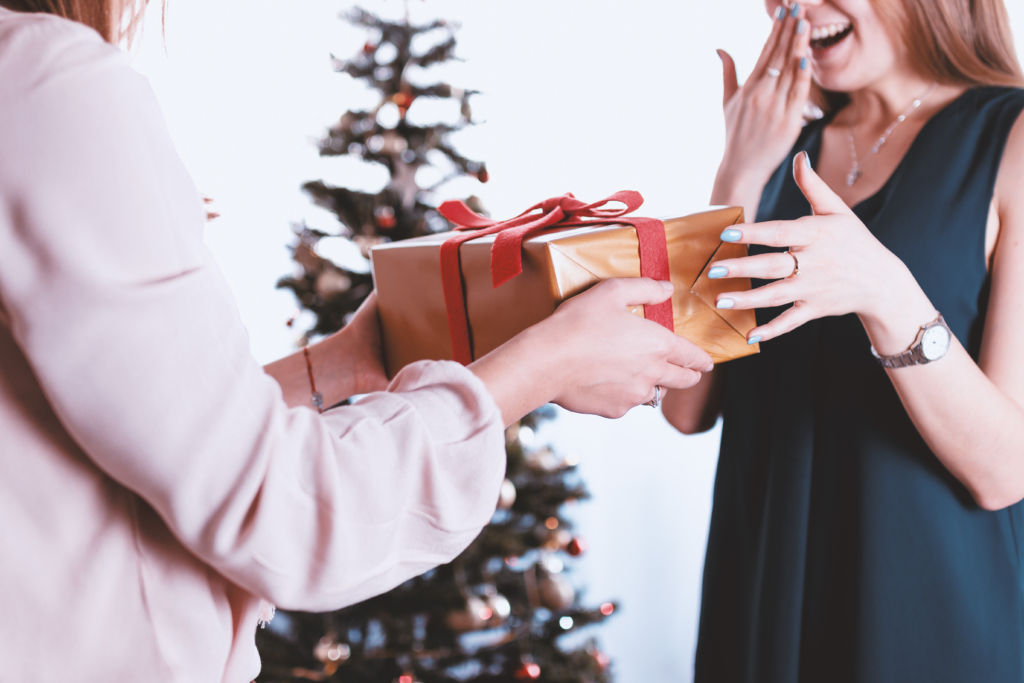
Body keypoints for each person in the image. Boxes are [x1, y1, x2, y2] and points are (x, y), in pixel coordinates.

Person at [0, 1, 717, 681]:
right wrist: (546, 362)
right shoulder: (44, 84)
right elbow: (286, 513)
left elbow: (136, 434)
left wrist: (342, 364)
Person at [662, 0, 1024, 681]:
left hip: (925, 616)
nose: (791, 6)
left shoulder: (1010, 137)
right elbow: (684, 405)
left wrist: (887, 294)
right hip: (763, 591)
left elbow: (1007, 470)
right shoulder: (779, 147)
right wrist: (737, 173)